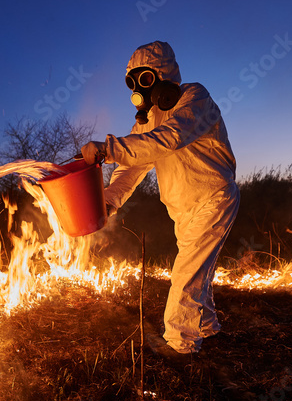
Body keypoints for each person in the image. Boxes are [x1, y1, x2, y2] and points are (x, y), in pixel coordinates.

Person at [81, 40, 239, 360]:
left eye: (147, 78)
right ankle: (207, 325)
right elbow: (133, 165)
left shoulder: (194, 99)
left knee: (186, 274)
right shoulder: (150, 119)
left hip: (213, 197)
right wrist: (110, 200)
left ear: (165, 75)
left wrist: (108, 148)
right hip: (182, 207)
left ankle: (180, 349)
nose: (140, 88)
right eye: (134, 80)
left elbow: (170, 138)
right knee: (196, 271)